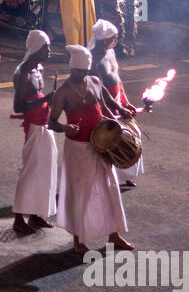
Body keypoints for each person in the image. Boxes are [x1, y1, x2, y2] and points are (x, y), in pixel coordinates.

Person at [52, 44, 134, 254]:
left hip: (102, 143)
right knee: (82, 192)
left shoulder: (95, 81)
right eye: (79, 71)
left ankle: (114, 235)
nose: (83, 74)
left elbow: (106, 104)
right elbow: (52, 122)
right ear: (72, 69)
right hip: (78, 146)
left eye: (85, 71)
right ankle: (78, 239)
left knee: (111, 187)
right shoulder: (63, 92)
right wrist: (65, 127)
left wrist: (121, 111)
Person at [11, 29, 58, 234]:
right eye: (46, 47)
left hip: (45, 126)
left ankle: (36, 215)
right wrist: (46, 99)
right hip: (34, 129)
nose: (50, 50)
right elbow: (18, 107)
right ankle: (19, 219)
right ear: (37, 48)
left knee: (45, 172)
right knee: (30, 171)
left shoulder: (39, 68)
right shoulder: (23, 72)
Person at [88, 19, 144, 188]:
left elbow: (117, 79)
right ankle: (110, 176)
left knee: (134, 135)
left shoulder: (110, 53)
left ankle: (127, 174)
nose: (115, 41)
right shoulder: (92, 60)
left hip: (117, 102)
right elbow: (100, 91)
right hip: (105, 105)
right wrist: (114, 110)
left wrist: (125, 102)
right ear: (104, 40)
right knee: (114, 140)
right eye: (113, 38)